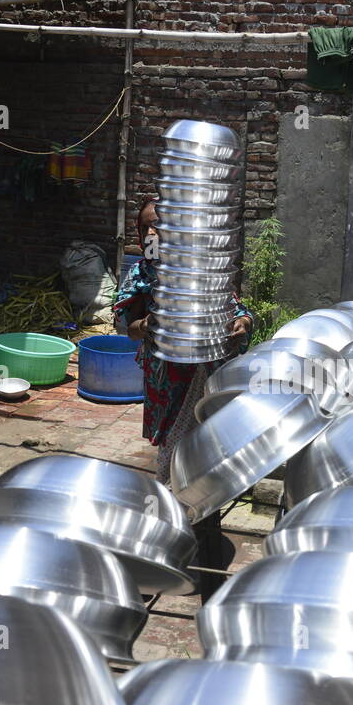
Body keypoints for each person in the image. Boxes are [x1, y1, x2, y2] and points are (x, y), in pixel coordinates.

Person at [113, 198, 253, 600]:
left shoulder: (204, 270)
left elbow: (239, 309)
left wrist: (240, 323)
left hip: (207, 374)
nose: (154, 233)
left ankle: (195, 526)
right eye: (147, 228)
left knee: (204, 454)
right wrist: (147, 323)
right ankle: (172, 538)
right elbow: (125, 324)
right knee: (172, 457)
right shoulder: (143, 273)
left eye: (162, 224)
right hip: (166, 378)